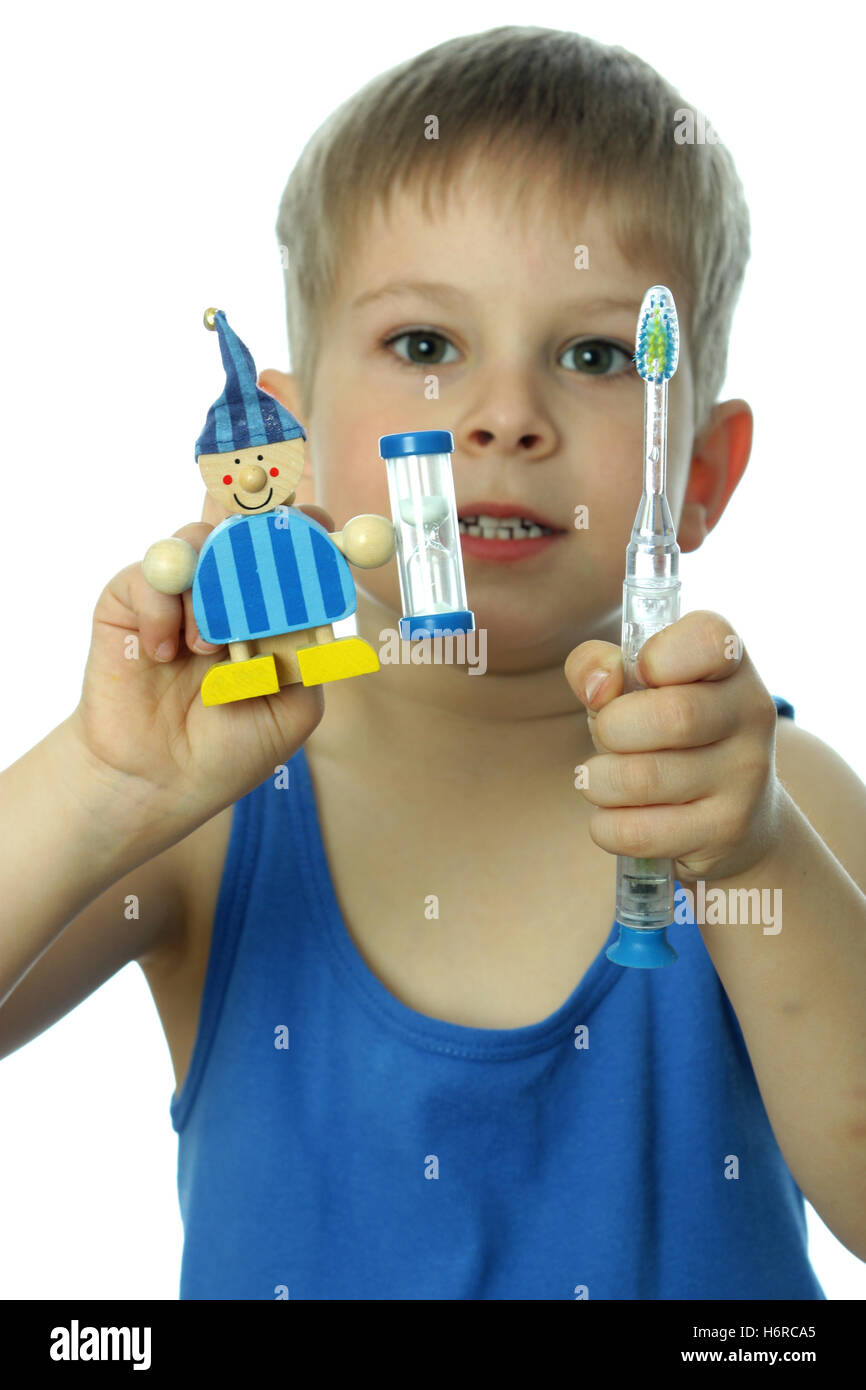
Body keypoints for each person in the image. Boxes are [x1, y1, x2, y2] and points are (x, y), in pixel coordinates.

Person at [2, 25, 865, 1300]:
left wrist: (756, 860)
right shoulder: (204, 809)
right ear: (288, 441)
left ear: (699, 476)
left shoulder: (775, 802)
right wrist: (100, 782)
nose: (500, 413)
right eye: (422, 346)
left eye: (593, 354)